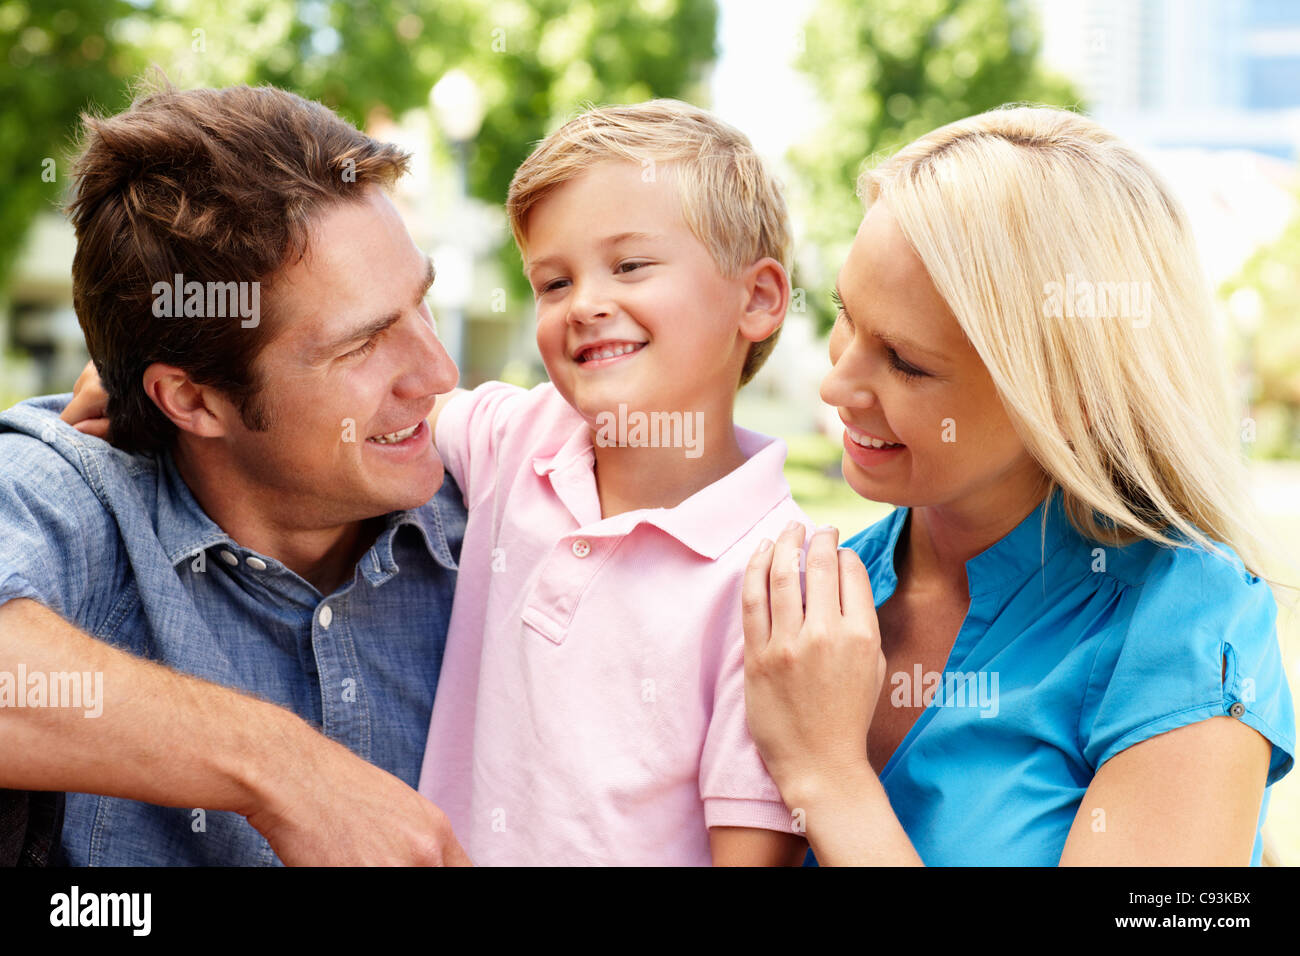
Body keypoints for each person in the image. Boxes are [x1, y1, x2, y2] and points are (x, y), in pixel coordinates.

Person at [742, 105, 1296, 866]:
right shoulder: (809, 594)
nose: (836, 383)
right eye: (847, 314)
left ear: (1067, 397)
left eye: (905, 361)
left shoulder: (1187, 632)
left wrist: (828, 779)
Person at [0, 83, 471, 865]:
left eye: (420, 304)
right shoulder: (76, 493)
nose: (438, 371)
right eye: (361, 345)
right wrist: (280, 768)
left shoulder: (507, 504)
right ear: (191, 398)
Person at [416, 101, 811, 865]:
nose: (586, 304)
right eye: (553, 282)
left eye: (629, 265)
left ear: (758, 299)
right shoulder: (514, 436)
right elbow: (371, 406)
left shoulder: (778, 578)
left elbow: (750, 851)